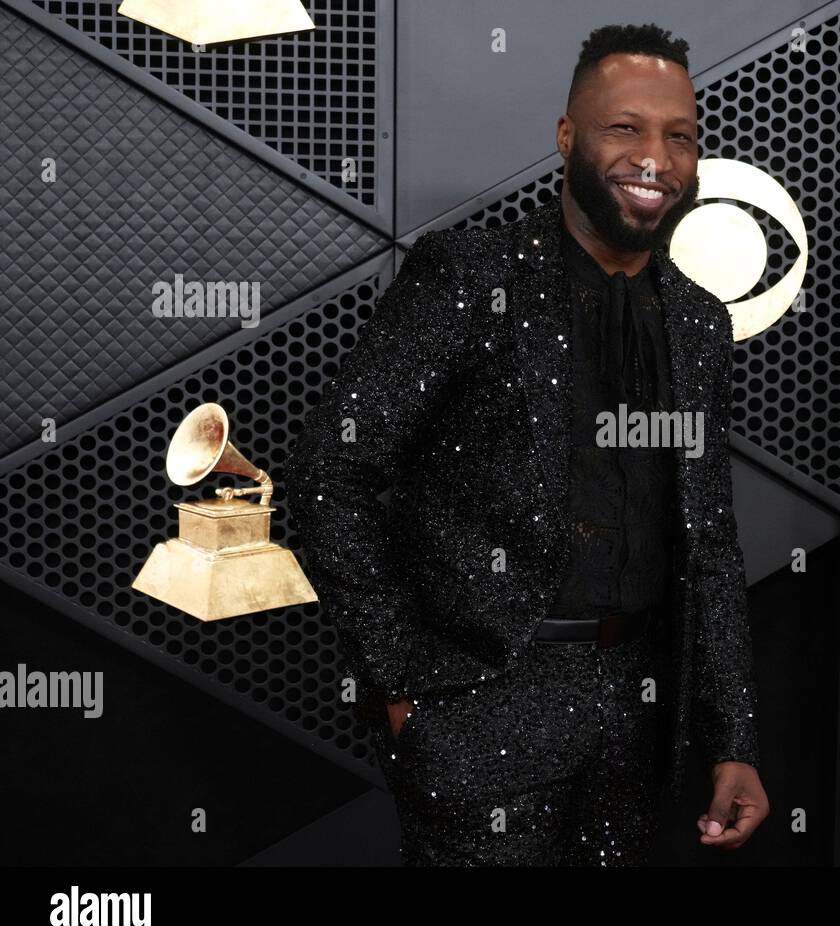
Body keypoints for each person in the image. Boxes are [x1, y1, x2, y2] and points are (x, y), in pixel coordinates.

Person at [285, 22, 768, 865]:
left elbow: (712, 543)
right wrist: (404, 680)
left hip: (639, 717)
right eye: (626, 128)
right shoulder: (472, 277)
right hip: (481, 709)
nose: (655, 156)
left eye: (680, 135)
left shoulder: (698, 321)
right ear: (567, 137)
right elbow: (335, 470)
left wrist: (733, 742)